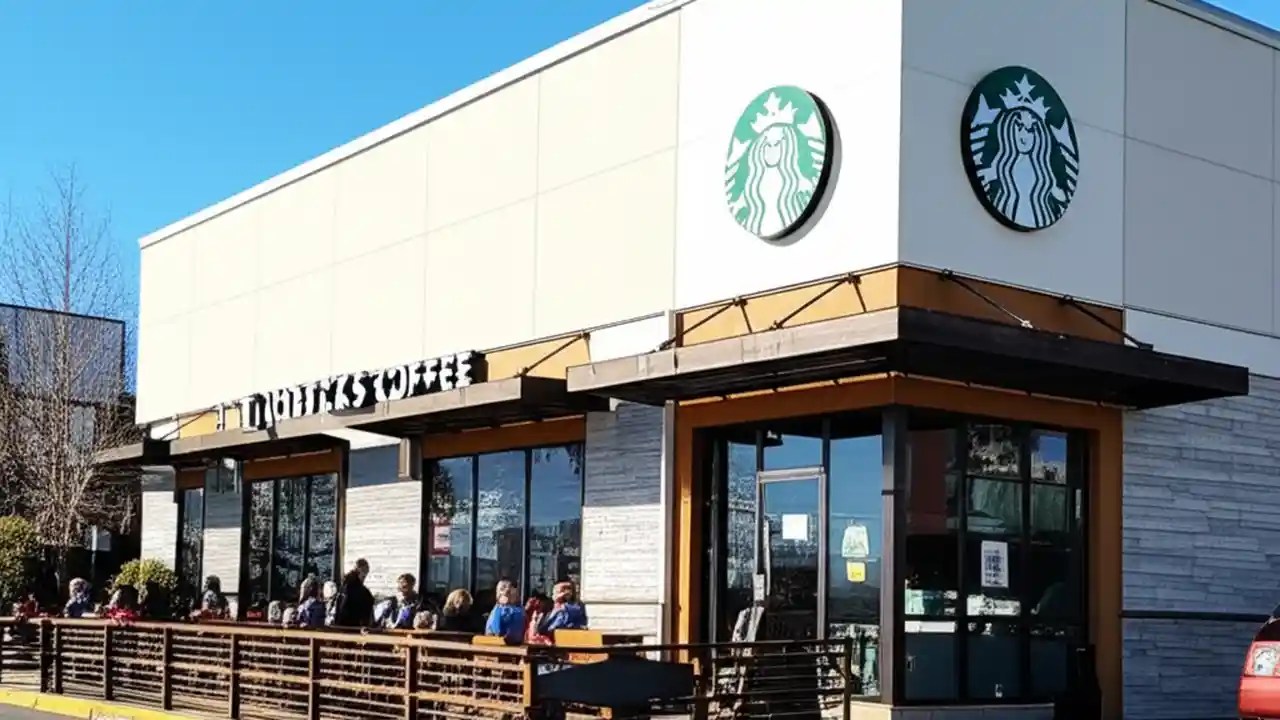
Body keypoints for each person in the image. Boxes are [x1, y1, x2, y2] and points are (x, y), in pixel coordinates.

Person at [334, 561, 375, 628]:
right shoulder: (360, 590)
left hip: (341, 624)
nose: (364, 578)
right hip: (354, 625)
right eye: (364, 575)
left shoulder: (344, 586)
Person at [484, 580, 525, 645]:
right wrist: (500, 607)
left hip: (515, 645)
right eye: (503, 589)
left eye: (511, 589)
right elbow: (497, 630)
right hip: (497, 645)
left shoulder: (518, 610)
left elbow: (521, 629)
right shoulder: (497, 609)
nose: (508, 592)